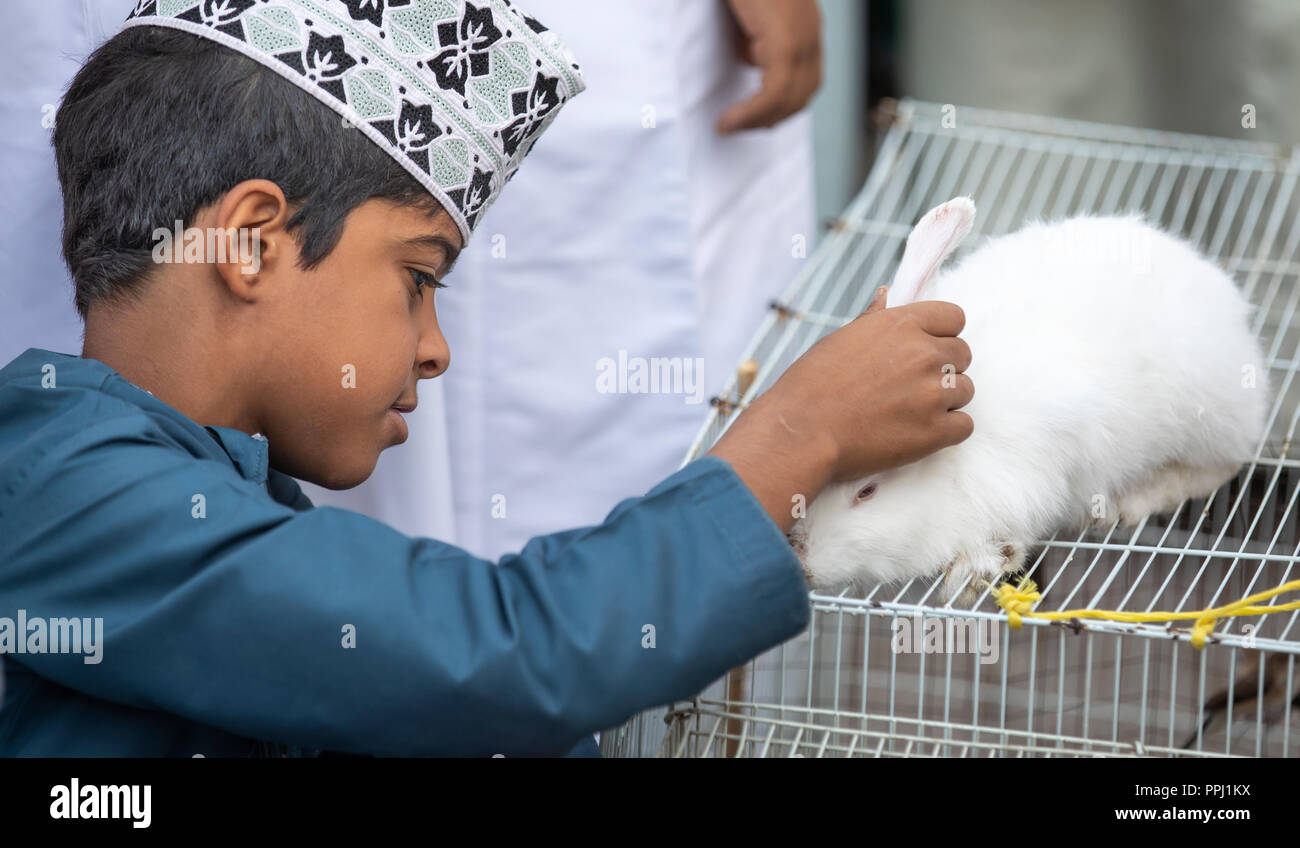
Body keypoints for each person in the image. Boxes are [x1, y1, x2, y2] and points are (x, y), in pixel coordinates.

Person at [0, 0, 973, 756]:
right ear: (251, 243)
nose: (436, 348)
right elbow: (493, 659)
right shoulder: (65, 491)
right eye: (418, 280)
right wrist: (802, 431)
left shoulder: (183, 483)